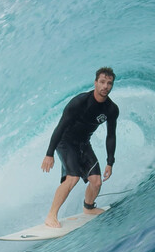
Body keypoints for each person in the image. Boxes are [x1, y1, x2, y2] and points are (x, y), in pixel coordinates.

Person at [41, 67, 119, 228]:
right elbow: (60, 127)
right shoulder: (79, 102)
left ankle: (88, 208)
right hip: (65, 142)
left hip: (84, 143)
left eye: (109, 83)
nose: (105, 86)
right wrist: (49, 154)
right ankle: (51, 216)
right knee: (73, 177)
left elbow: (111, 136)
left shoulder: (111, 109)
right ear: (95, 83)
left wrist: (110, 162)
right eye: (102, 82)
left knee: (96, 182)